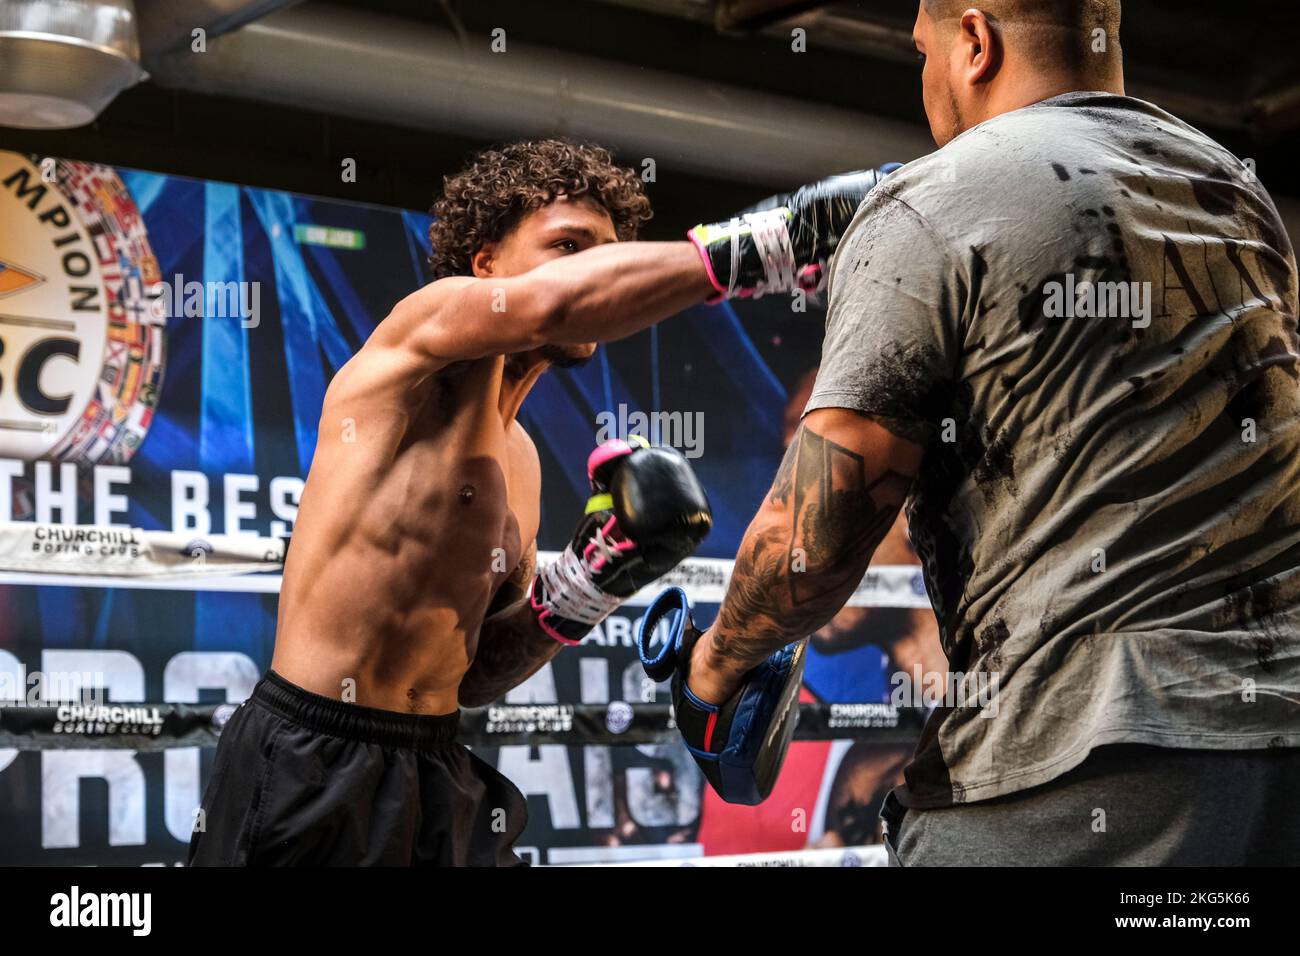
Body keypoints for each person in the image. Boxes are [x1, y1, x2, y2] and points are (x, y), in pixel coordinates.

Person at [677, 0, 1300, 865]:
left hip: (1081, 769)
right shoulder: (1241, 197)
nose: (925, 80)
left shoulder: (935, 197)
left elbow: (806, 547)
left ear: (975, 42)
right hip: (1274, 760)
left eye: (923, 53)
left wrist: (713, 666)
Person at [188, 138, 895, 866]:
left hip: (434, 768)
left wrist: (590, 582)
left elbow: (475, 675)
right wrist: (772, 244)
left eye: (606, 253)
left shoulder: (520, 459)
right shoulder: (417, 343)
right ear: (486, 262)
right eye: (568, 246)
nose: (593, 270)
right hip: (312, 758)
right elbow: (553, 303)